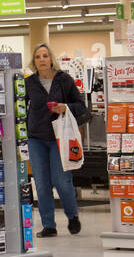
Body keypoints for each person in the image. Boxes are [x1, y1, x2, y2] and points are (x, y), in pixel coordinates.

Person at [25, 43, 88, 236]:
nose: (42, 60)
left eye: (45, 56)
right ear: (34, 61)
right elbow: (19, 106)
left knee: (61, 181)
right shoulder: (29, 83)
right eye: (38, 57)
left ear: (51, 59)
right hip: (36, 139)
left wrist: (65, 107)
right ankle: (49, 226)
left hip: (60, 137)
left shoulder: (64, 80)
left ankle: (72, 216)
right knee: (42, 184)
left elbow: (81, 106)